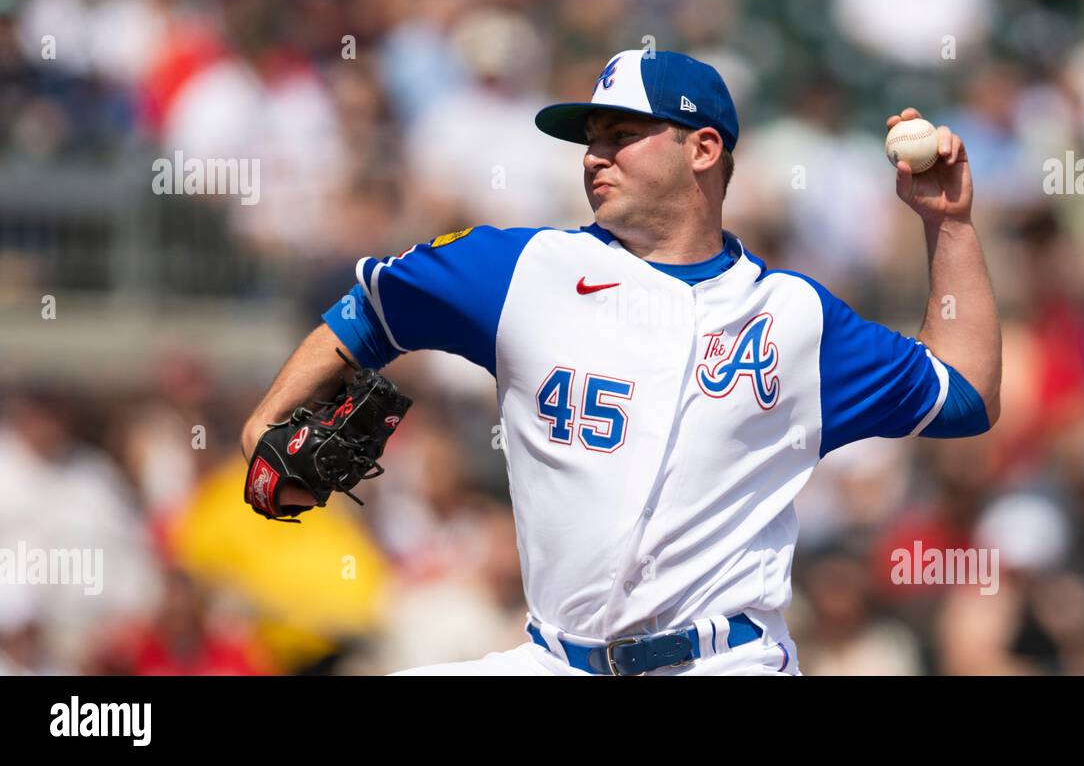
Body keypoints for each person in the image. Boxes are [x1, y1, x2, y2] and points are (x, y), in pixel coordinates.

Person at [240, 49, 1002, 675]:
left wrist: (950, 226)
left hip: (720, 662)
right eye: (590, 138)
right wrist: (265, 420)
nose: (594, 154)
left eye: (621, 133)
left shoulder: (794, 317)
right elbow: (373, 306)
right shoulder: (525, 269)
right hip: (553, 659)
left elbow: (964, 391)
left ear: (703, 148)